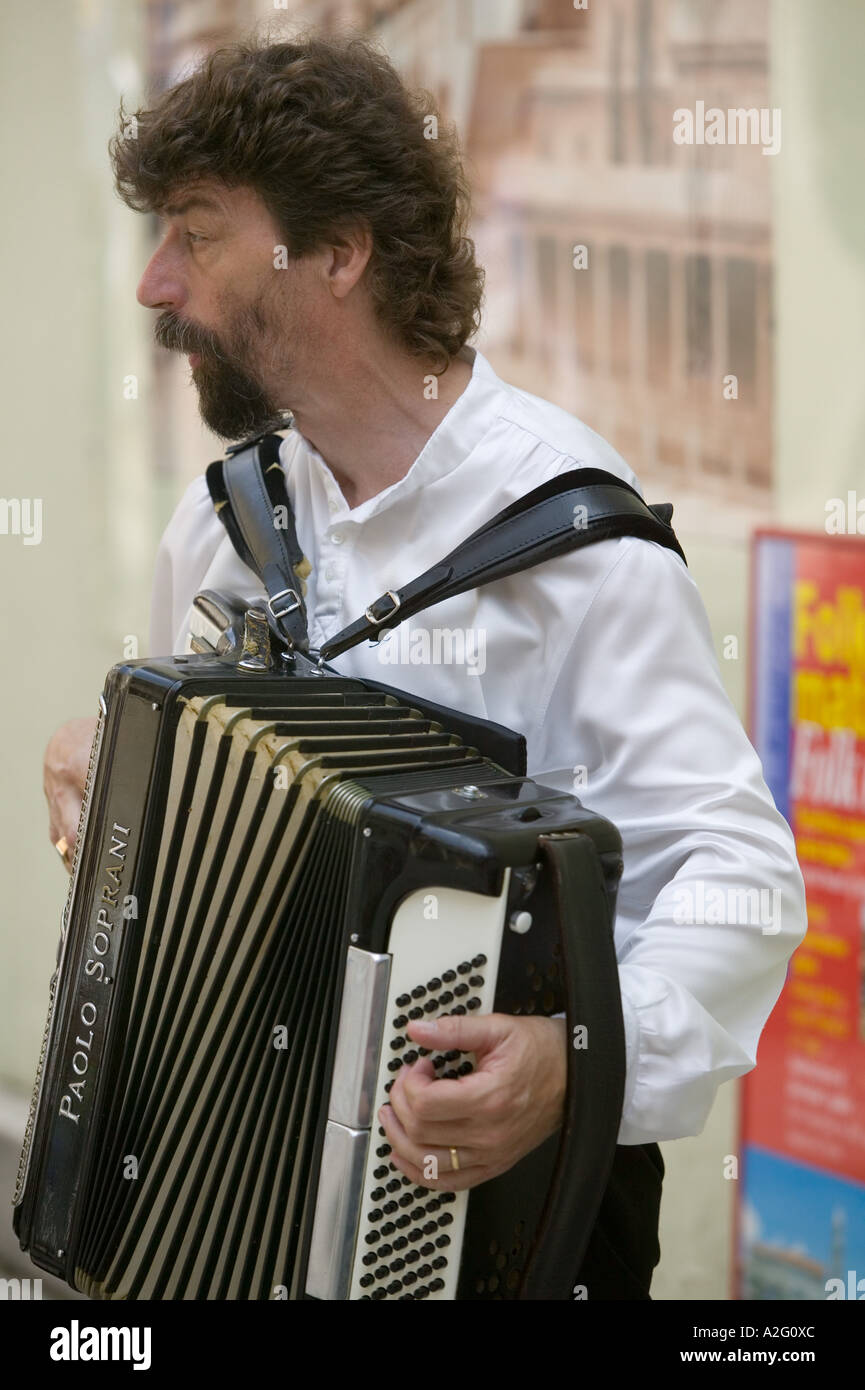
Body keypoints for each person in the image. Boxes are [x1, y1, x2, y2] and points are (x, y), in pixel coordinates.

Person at [43, 33, 806, 1297]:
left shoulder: (576, 546)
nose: (156, 283)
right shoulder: (229, 525)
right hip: (231, 1192)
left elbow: (739, 883)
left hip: (499, 1229)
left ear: (338, 251)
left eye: (196, 233)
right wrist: (109, 760)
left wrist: (574, 1056)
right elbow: (207, 813)